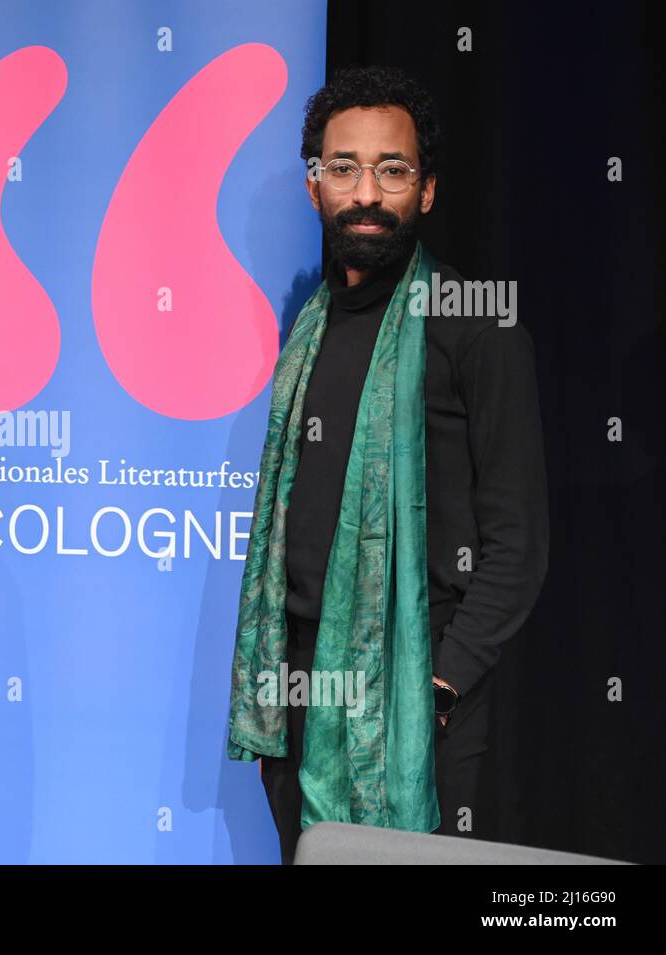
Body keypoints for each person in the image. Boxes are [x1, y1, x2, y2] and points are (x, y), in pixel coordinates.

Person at [226, 66, 548, 864]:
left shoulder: (474, 327)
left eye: (392, 170)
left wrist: (437, 684)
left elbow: (519, 542)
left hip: (419, 697)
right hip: (299, 693)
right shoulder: (305, 327)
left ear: (426, 190)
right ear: (315, 187)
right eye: (344, 168)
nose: (366, 191)